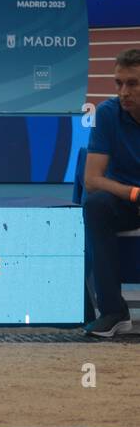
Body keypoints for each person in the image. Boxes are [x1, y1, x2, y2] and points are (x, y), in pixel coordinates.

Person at [83, 50, 140, 336]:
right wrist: (132, 193)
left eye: (132, 84)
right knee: (95, 205)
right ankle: (113, 312)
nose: (123, 92)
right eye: (118, 83)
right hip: (126, 201)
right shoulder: (107, 113)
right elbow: (92, 179)